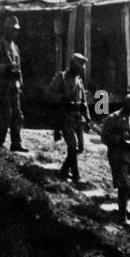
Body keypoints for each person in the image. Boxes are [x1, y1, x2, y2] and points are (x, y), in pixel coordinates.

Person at [102, 94, 130, 225]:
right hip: (118, 156)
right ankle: (122, 217)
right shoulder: (113, 118)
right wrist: (121, 141)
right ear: (127, 105)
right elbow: (104, 137)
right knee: (124, 185)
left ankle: (123, 202)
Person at [47, 53, 90, 181]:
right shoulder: (61, 78)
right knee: (72, 145)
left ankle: (64, 170)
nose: (80, 69)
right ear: (71, 64)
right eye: (78, 66)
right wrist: (61, 98)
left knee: (80, 148)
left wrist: (87, 117)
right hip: (64, 116)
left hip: (77, 117)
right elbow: (48, 95)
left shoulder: (79, 81)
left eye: (82, 67)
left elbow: (84, 102)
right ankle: (76, 175)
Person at [0, 15, 26, 151]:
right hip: (2, 84)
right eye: (12, 30)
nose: (15, 32)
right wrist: (5, 67)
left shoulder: (15, 47)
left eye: (16, 30)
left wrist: (20, 83)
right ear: (7, 29)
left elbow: (19, 67)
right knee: (5, 114)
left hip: (14, 85)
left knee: (17, 114)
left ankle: (16, 143)